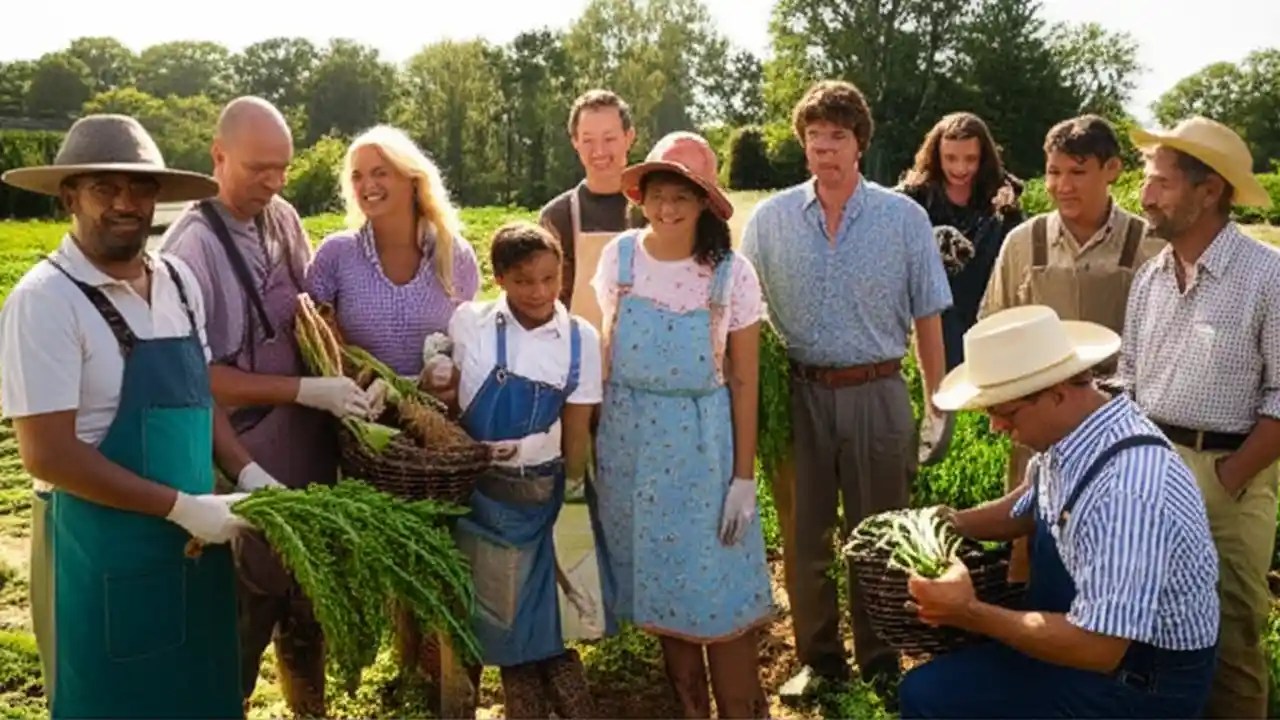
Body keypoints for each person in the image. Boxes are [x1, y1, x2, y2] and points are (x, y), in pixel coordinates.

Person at [0, 114, 282, 718]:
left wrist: (250, 472)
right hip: (102, 555)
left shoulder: (178, 280)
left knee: (201, 694)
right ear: (68, 197)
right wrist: (183, 507)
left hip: (194, 553)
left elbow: (196, 395)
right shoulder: (46, 300)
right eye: (105, 188)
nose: (127, 203)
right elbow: (46, 452)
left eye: (141, 188)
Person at [897, 304, 1220, 718]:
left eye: (1004, 411)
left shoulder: (1127, 489)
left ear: (1057, 394)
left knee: (927, 697)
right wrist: (944, 524)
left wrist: (970, 613)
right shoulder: (1074, 435)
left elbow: (1099, 647)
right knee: (933, 687)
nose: (995, 426)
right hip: (1084, 638)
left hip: (1136, 681)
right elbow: (1030, 505)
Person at [740, 79, 952, 699]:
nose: (824, 149)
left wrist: (938, 400)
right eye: (813, 138)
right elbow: (743, 314)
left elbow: (929, 315)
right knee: (805, 535)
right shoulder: (770, 221)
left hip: (878, 391)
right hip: (798, 397)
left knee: (880, 531)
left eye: (837, 137)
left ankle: (883, 660)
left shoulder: (903, 218)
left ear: (859, 142)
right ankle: (821, 661)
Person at [160, 96, 362, 715]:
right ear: (218, 157)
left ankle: (310, 706)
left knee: (309, 596)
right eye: (258, 169)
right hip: (244, 448)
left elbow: (305, 313)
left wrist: (342, 372)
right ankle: (230, 701)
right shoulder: (189, 249)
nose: (273, 183)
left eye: (283, 168)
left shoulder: (282, 217)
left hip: (304, 442)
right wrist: (301, 389)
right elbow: (198, 379)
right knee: (247, 604)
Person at [591, 130, 773, 718]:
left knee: (717, 592)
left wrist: (743, 476)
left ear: (704, 203)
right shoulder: (618, 258)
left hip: (703, 449)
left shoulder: (730, 274)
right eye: (659, 195)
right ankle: (690, 707)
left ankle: (741, 708)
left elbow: (745, 379)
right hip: (630, 445)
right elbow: (602, 352)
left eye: (683, 197)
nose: (668, 209)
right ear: (641, 196)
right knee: (663, 586)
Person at [304, 124, 481, 692]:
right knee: (389, 549)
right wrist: (355, 383)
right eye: (357, 176)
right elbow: (316, 337)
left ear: (412, 179)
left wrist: (445, 387)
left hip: (437, 426)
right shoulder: (335, 255)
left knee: (445, 547)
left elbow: (467, 341)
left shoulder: (455, 254)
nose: (367, 185)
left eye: (380, 172)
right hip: (365, 423)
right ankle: (404, 656)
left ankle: (446, 669)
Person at [1118, 116, 1280, 719]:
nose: (1146, 195)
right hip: (1152, 472)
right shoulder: (1150, 280)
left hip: (1228, 478)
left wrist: (1229, 477)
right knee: (1153, 627)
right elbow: (1129, 380)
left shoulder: (1268, 277)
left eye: (1161, 182)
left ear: (1209, 191)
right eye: (1147, 180)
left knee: (1233, 640)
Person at [426, 222, 603, 718]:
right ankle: (489, 700)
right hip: (477, 492)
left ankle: (542, 700)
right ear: (499, 278)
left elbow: (578, 424)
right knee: (494, 610)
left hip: (539, 488)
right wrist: (434, 372)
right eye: (524, 281)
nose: (541, 292)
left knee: (528, 610)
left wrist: (570, 497)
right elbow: (443, 393)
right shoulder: (471, 323)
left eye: (550, 278)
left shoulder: (578, 339)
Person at [977, 114, 1163, 583]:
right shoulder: (1024, 242)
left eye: (1077, 172)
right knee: (1032, 538)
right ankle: (1035, 628)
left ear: (1113, 169)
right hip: (1037, 420)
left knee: (1113, 541)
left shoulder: (1147, 244)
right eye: (1054, 172)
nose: (1062, 185)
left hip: (1119, 424)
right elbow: (993, 323)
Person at [898, 111, 1024, 372]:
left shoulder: (1002, 199)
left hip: (985, 317)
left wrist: (1008, 213)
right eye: (951, 158)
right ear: (936, 156)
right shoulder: (913, 199)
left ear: (983, 158)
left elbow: (1019, 256)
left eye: (970, 159)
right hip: (928, 320)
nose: (960, 168)